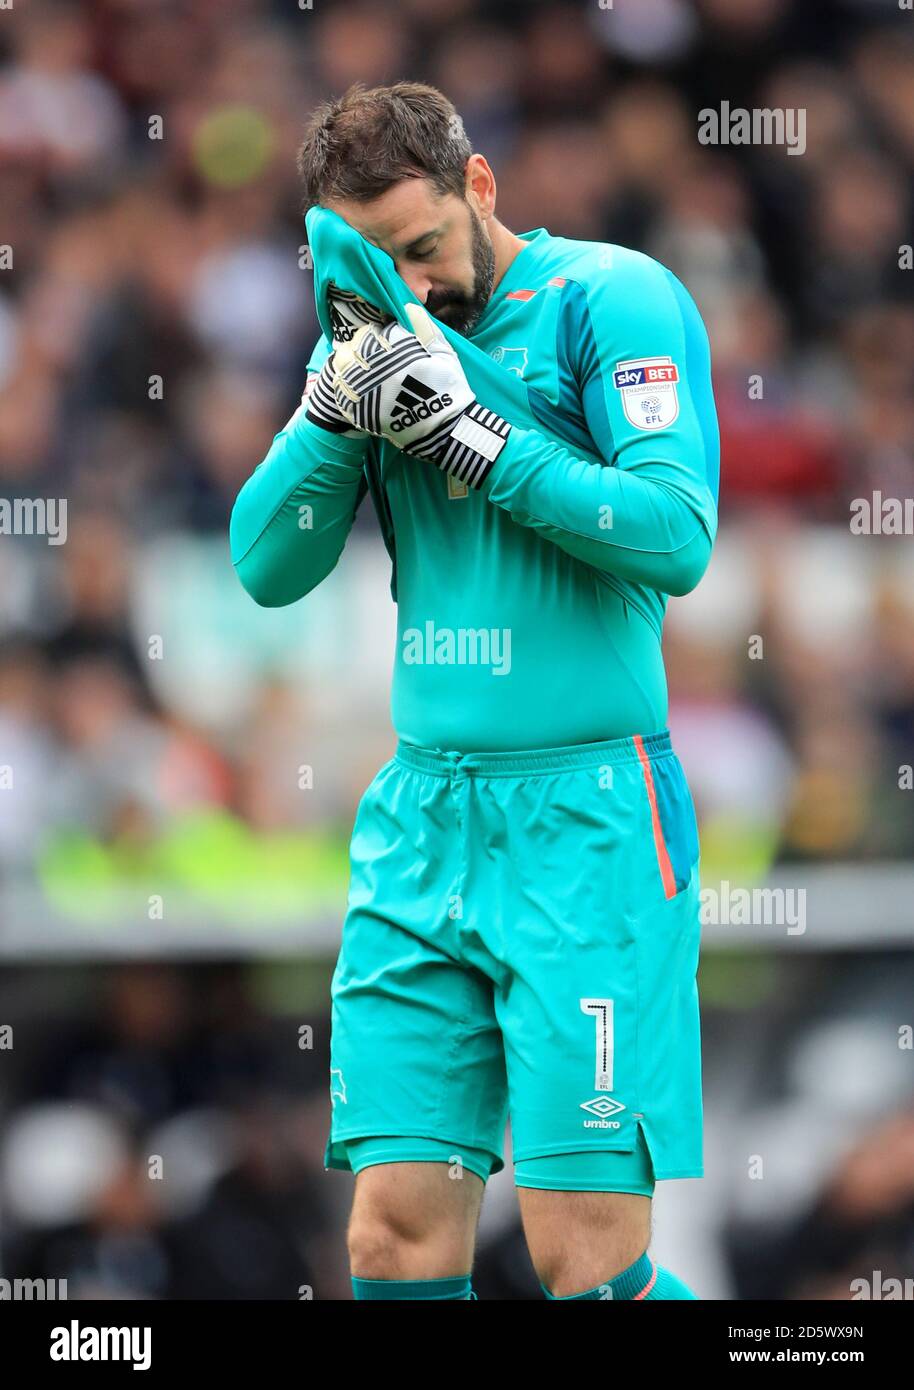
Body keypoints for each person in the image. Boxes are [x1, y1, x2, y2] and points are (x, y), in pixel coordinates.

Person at [230, 80, 719, 1302]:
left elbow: (674, 534)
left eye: (423, 246)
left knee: (582, 1255)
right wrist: (327, 419)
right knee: (392, 1236)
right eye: (373, 258)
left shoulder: (610, 298)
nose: (412, 283)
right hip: (423, 820)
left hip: (588, 821)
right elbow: (263, 566)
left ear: (479, 186)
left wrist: (478, 438)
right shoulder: (366, 336)